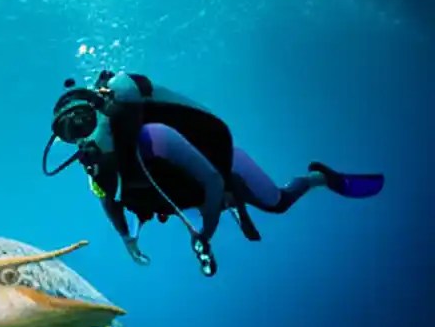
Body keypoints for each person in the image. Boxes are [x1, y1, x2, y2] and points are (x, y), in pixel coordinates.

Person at [41, 71, 384, 276]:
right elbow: (109, 203)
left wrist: (204, 232)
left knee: (277, 203)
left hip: (225, 167)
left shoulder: (152, 137)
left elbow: (212, 180)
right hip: (194, 192)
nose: (81, 136)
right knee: (220, 200)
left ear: (101, 112)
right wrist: (128, 239)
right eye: (69, 132)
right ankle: (229, 205)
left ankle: (320, 178)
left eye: (83, 121)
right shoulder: (96, 173)